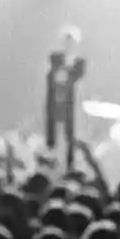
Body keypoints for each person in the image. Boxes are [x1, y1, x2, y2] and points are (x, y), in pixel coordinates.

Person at [45, 25, 86, 171]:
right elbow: (52, 76)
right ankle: (51, 160)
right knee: (53, 131)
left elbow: (76, 77)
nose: (68, 43)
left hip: (71, 102)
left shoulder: (79, 62)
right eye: (66, 40)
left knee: (70, 133)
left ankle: (70, 164)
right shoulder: (55, 58)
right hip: (55, 101)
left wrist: (66, 76)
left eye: (71, 41)